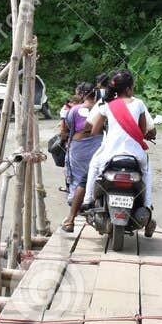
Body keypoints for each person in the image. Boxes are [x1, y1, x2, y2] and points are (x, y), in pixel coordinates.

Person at [83, 68, 155, 230]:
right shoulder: (139, 104)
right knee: (147, 171)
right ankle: (148, 205)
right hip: (135, 155)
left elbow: (94, 130)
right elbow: (143, 132)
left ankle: (87, 200)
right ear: (129, 89)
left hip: (110, 155)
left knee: (94, 167)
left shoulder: (107, 105)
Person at [59, 82, 101, 231]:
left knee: (77, 178)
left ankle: (72, 216)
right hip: (98, 147)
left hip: (78, 148)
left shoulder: (74, 110)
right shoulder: (101, 108)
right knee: (96, 176)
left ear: (82, 94)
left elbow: (68, 127)